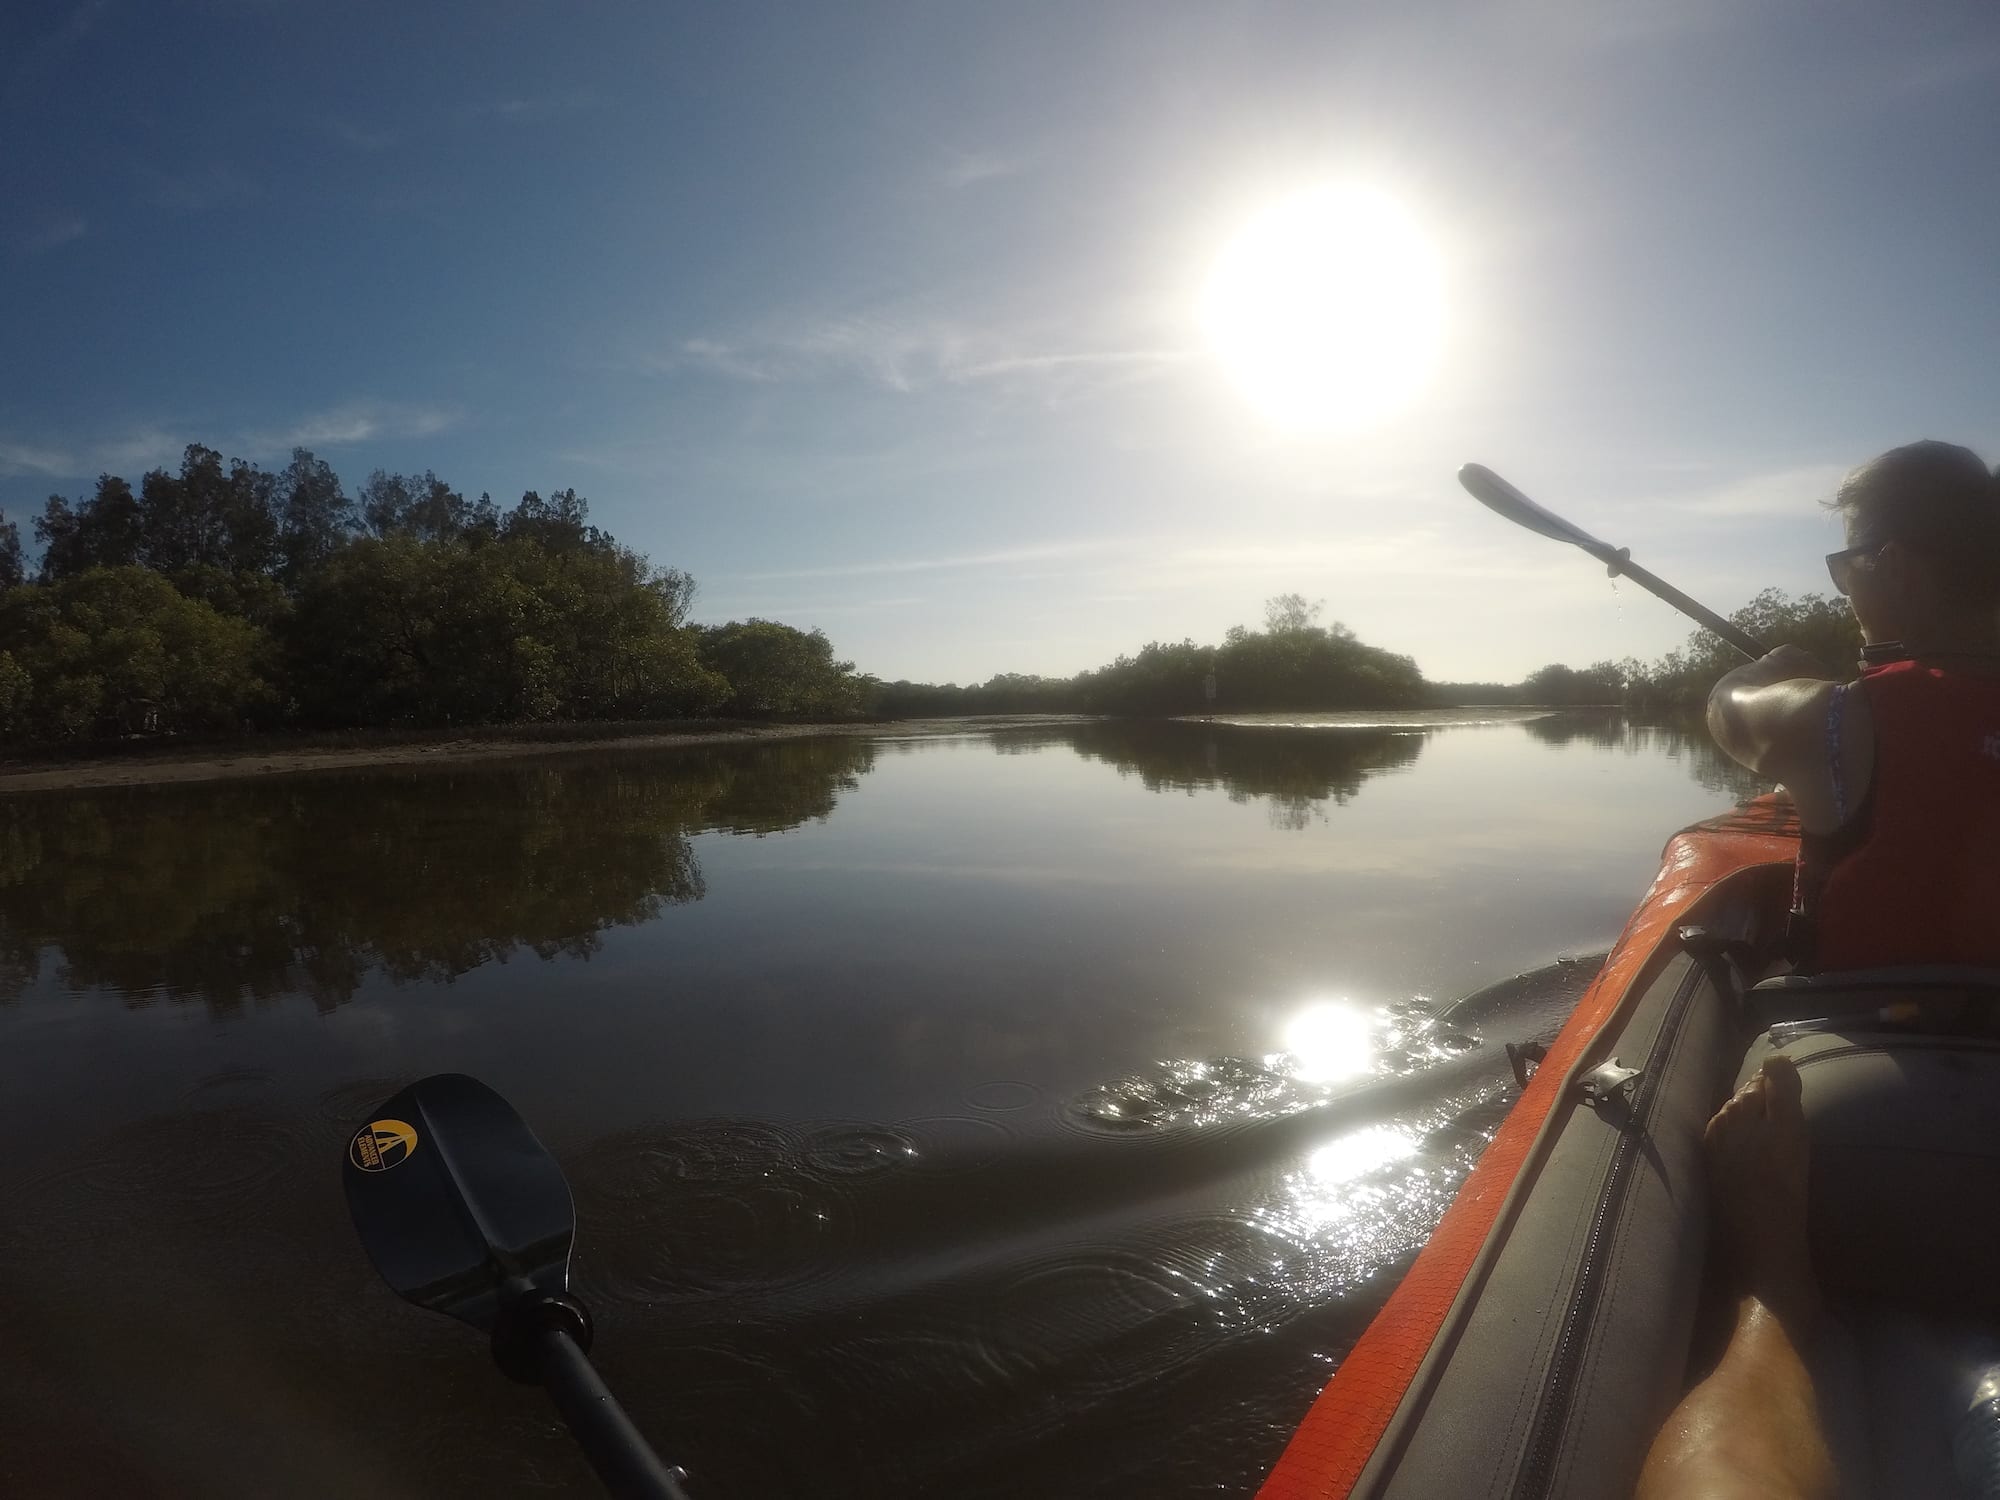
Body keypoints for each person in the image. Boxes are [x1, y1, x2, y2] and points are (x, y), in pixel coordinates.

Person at [1638, 441, 2000, 1500]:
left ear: (1896, 569)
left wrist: (1752, 679)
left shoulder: (1832, 718)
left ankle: (1774, 1300)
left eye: (1846, 567)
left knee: (1768, 1297)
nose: (1843, 588)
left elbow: (1727, 716)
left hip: (1840, 1139)